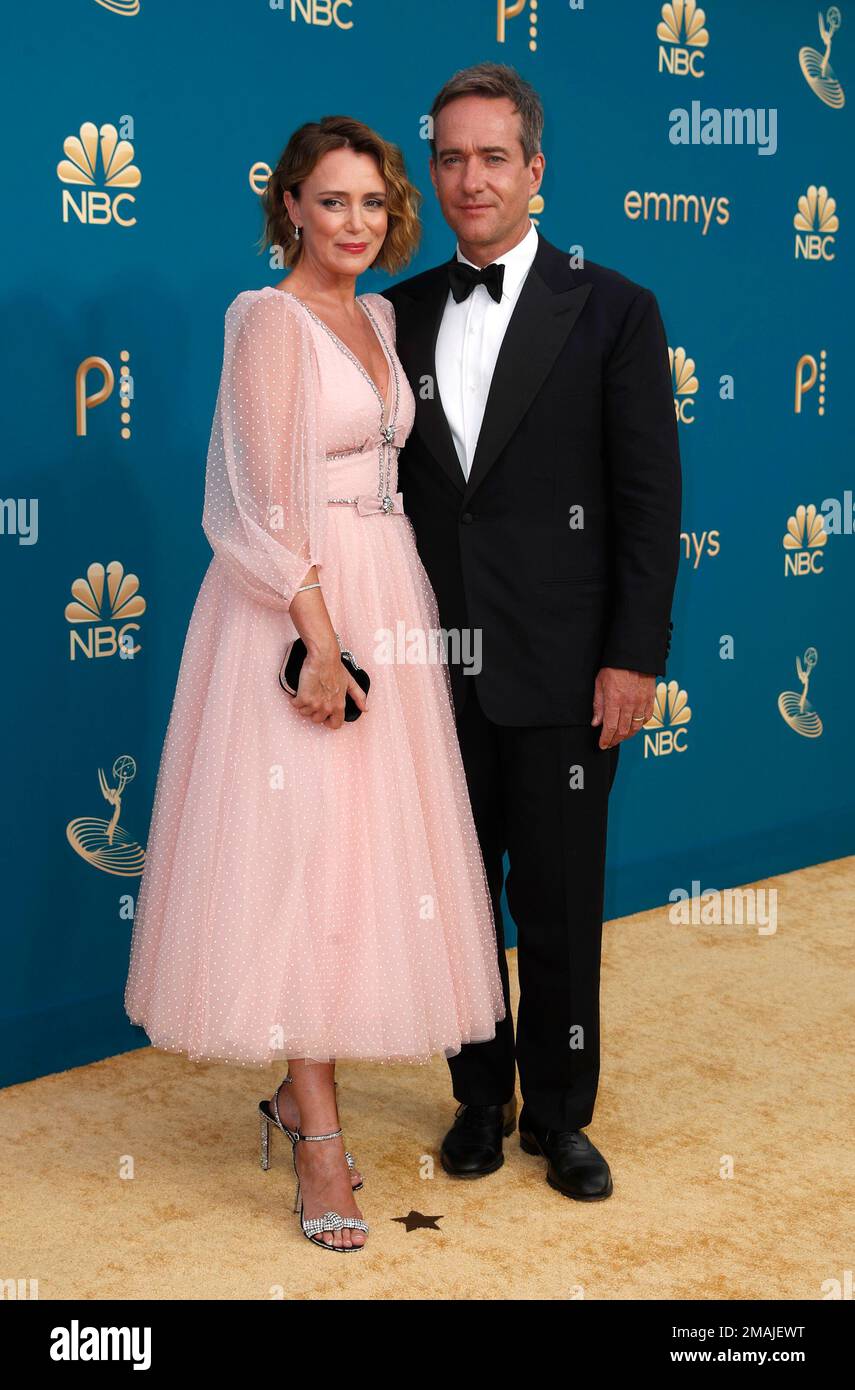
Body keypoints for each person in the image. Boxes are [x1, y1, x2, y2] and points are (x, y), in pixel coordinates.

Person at [123, 116, 506, 1252]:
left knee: (358, 863)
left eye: (373, 204)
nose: (354, 223)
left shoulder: (380, 315)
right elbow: (248, 501)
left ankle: (303, 1096)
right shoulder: (267, 321)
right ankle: (322, 1145)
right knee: (297, 863)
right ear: (289, 204)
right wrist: (322, 641)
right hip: (303, 609)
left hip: (393, 591)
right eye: (330, 202)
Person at [382, 64, 682, 1200]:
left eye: (492, 156)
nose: (470, 178)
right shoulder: (394, 311)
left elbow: (651, 500)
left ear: (535, 169)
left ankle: (559, 1114)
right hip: (431, 668)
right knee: (458, 900)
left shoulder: (614, 307)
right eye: (450, 157)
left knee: (557, 903)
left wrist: (634, 654)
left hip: (566, 669)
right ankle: (476, 1097)